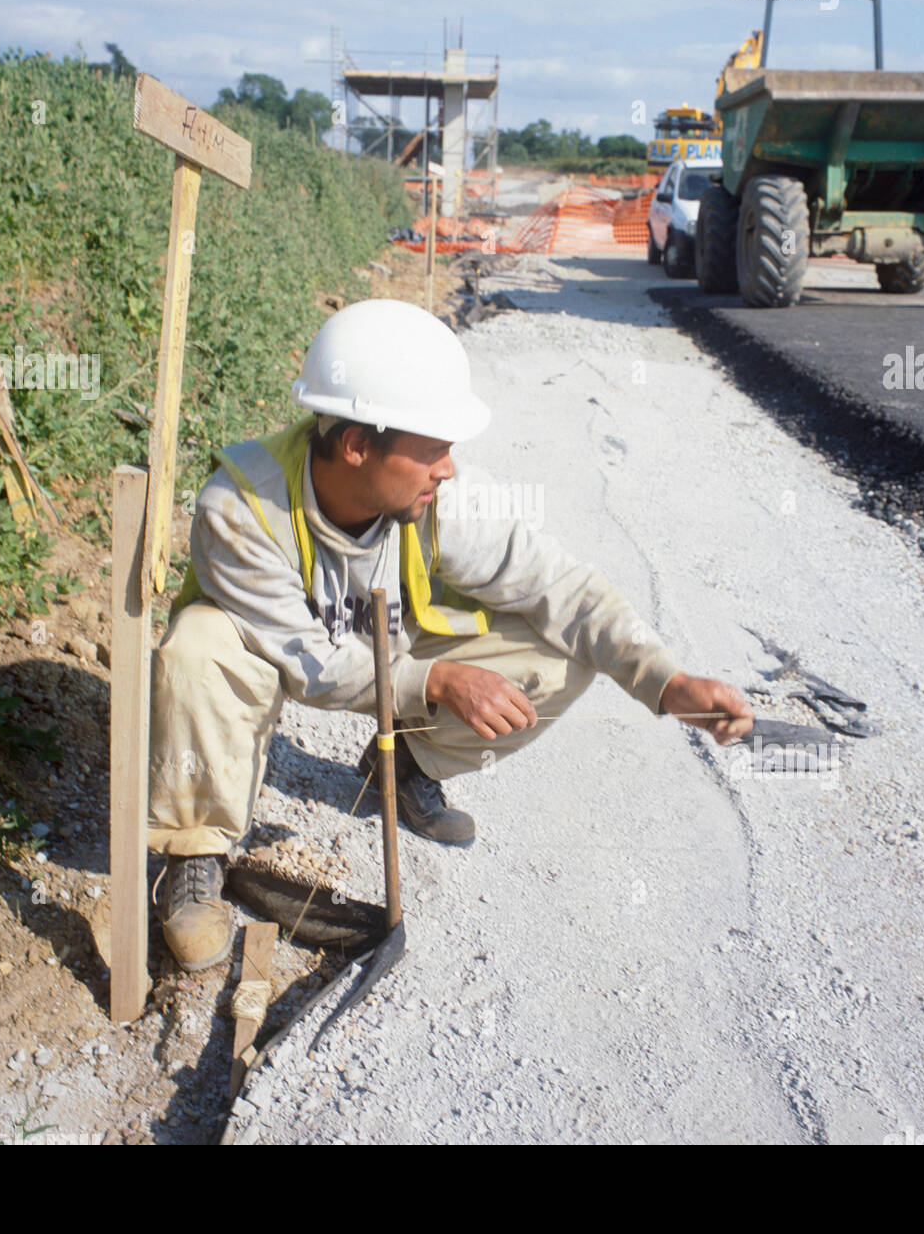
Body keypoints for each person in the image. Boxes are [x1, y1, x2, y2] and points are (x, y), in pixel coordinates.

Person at [147, 300, 753, 971]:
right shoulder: (239, 507)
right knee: (196, 649)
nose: (449, 468)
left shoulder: (443, 499)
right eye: (432, 448)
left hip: (389, 656)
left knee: (563, 654)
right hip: (265, 653)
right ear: (356, 444)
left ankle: (410, 768)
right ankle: (195, 850)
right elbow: (307, 663)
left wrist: (664, 678)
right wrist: (433, 679)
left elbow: (562, 586)